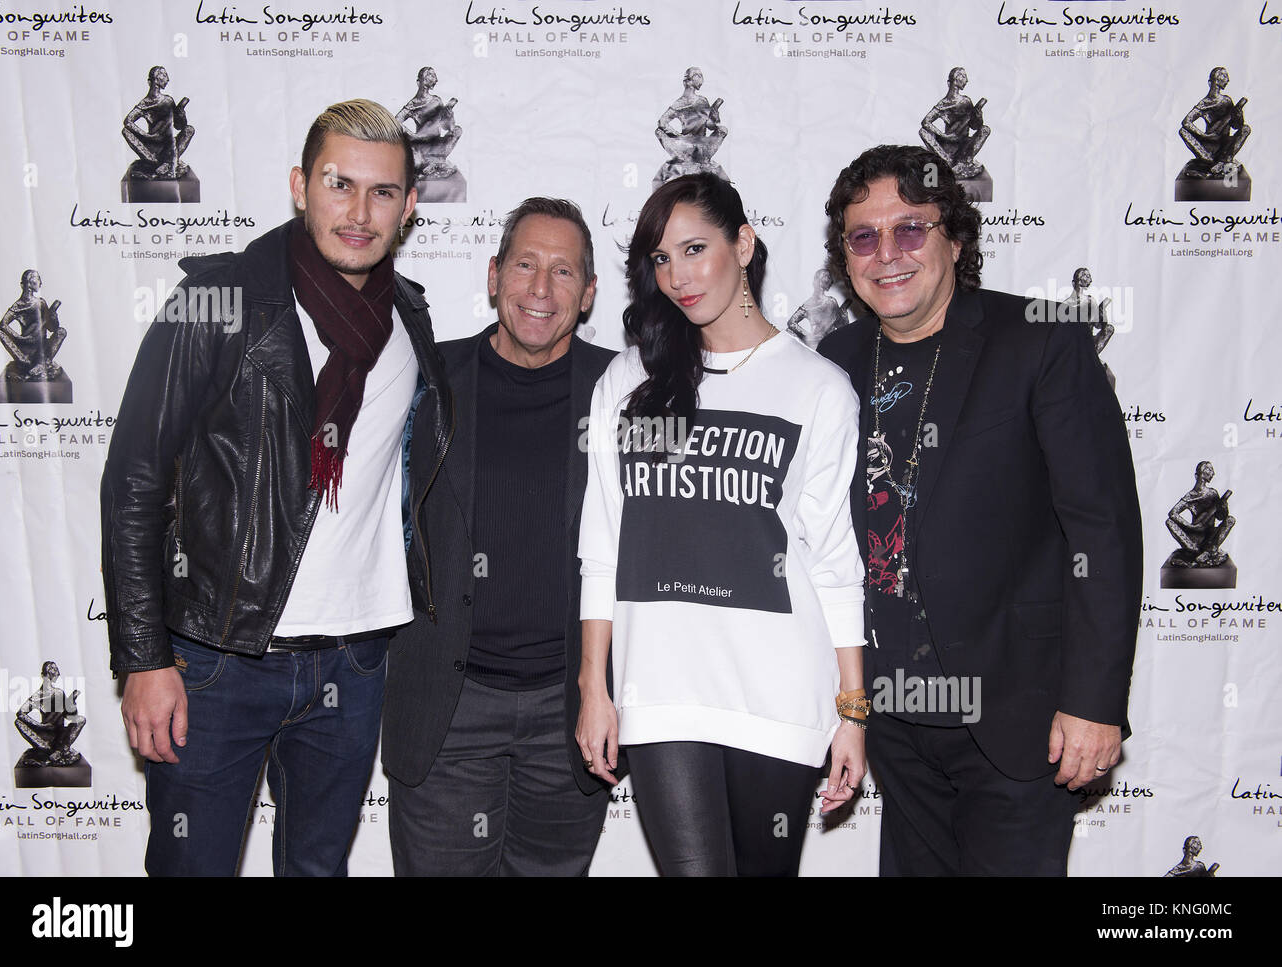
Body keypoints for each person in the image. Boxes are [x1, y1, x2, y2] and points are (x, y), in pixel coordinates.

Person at [101, 99, 451, 876]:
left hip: (356, 662)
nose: (359, 212)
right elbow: (134, 481)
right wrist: (144, 658)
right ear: (300, 186)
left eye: (382, 192)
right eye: (338, 184)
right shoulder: (217, 300)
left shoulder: (409, 319)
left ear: (409, 207)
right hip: (217, 659)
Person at [817, 144, 1142, 876]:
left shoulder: (1040, 339)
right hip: (892, 720)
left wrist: (1095, 701)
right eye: (864, 237)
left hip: (1017, 717)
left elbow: (1102, 531)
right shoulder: (836, 358)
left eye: (911, 229)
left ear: (956, 240)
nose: (887, 254)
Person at [577, 173, 867, 877]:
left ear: (743, 243)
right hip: (660, 690)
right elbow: (603, 544)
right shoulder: (628, 381)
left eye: (695, 249)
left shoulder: (817, 387)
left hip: (780, 692)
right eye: (661, 258)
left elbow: (834, 561)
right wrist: (594, 685)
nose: (677, 276)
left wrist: (852, 712)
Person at [383, 198, 614, 876]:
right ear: (493, 276)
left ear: (588, 293)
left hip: (572, 708)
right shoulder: (425, 379)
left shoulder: (623, 391)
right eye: (524, 265)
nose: (541, 288)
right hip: (449, 706)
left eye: (563, 271)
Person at [122, 66, 195, 179]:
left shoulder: (168, 100)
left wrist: (181, 113)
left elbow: (179, 126)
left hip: (169, 146)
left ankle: (168, 163)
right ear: (156, 79)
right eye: (164, 75)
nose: (167, 79)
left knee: (189, 129)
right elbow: (128, 121)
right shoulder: (145, 103)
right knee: (125, 131)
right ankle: (160, 162)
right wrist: (145, 135)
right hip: (152, 148)